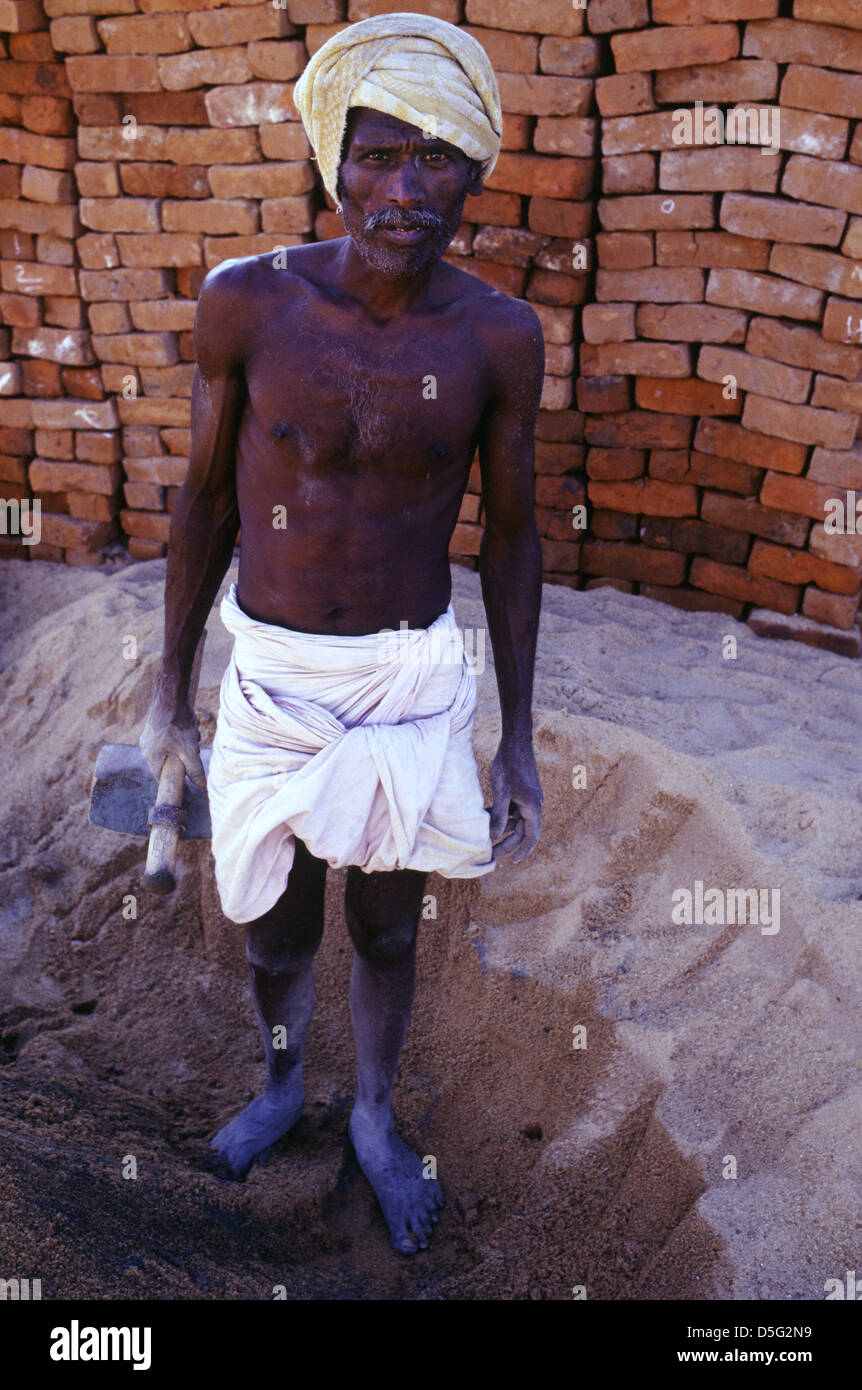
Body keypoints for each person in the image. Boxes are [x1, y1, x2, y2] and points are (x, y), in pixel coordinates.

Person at [140, 12, 544, 1256]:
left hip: (408, 676)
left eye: (436, 159)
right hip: (274, 673)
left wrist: (517, 736)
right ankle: (279, 1087)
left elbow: (517, 538)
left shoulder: (495, 337)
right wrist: (171, 696)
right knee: (277, 929)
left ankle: (371, 1114)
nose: (404, 189)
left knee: (383, 922)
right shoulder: (248, 306)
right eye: (377, 154)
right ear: (334, 161)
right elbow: (205, 502)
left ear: (474, 172)